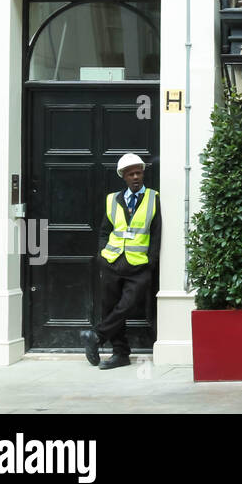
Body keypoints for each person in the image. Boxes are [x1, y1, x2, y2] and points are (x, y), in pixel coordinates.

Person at [81, 153, 160, 370]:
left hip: (139, 264)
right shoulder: (111, 199)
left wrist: (151, 261)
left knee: (126, 306)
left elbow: (156, 233)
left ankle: (96, 336)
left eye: (139, 172)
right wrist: (102, 256)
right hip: (112, 261)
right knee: (110, 308)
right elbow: (104, 231)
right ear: (123, 176)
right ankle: (120, 353)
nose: (136, 177)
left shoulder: (154, 198)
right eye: (131, 174)